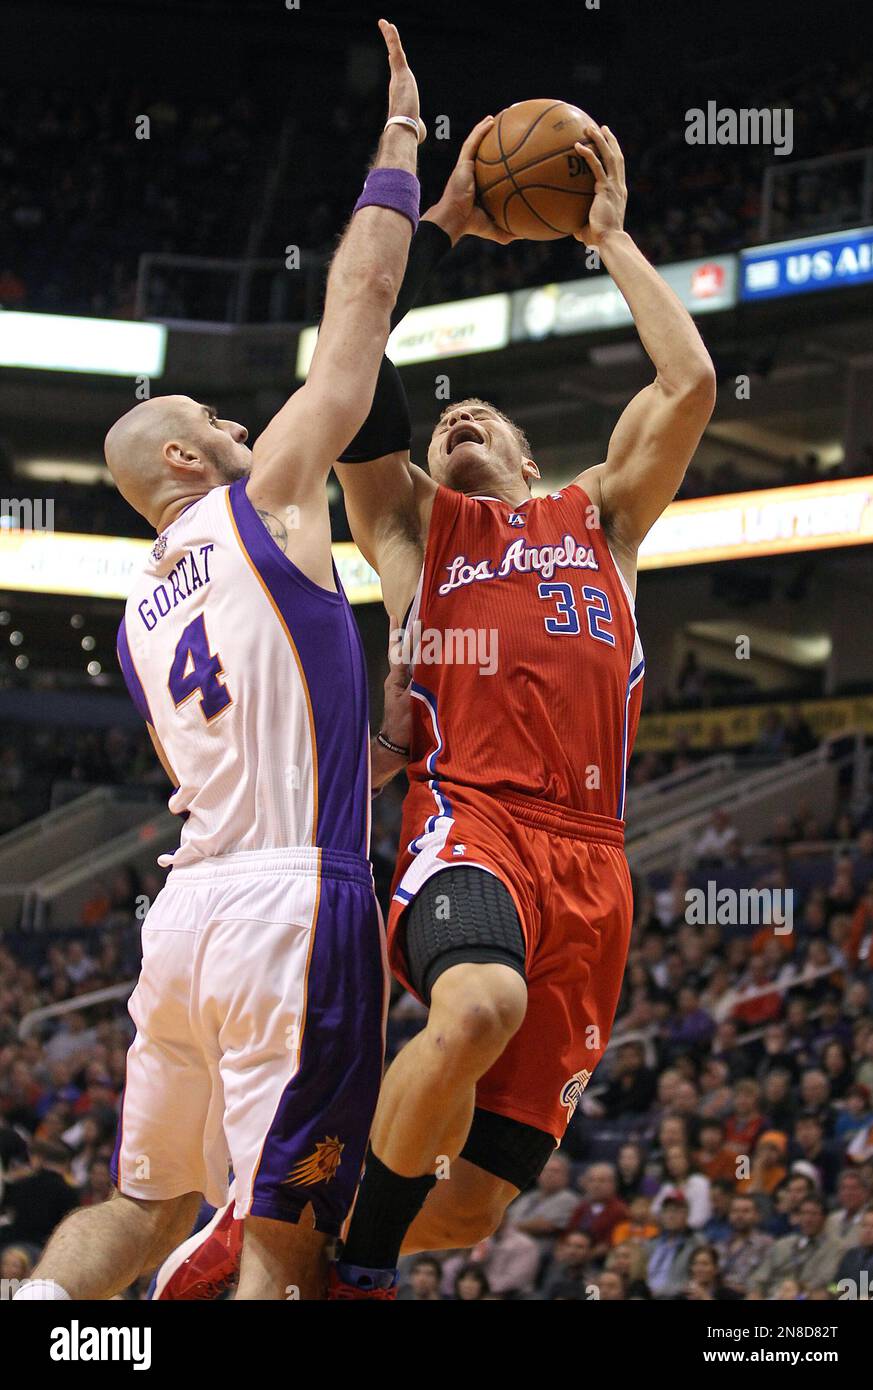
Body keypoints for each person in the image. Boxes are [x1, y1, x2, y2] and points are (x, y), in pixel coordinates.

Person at [13, 19, 421, 1305]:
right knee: (282, 1244)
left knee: (142, 1204)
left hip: (183, 919)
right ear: (186, 463)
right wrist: (401, 143)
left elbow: (262, 721)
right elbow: (355, 312)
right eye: (215, 418)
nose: (243, 422)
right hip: (287, 910)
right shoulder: (272, 505)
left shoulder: (138, 613)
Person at [329, 117, 715, 1297]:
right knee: (479, 998)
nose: (457, 420)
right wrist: (439, 219)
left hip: (596, 871)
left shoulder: (598, 520)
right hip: (472, 821)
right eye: (448, 418)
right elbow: (353, 354)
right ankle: (350, 1272)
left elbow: (689, 381)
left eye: (482, 417)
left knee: (471, 1213)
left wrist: (610, 238)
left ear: (534, 461)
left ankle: (309, 1230)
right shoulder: (409, 531)